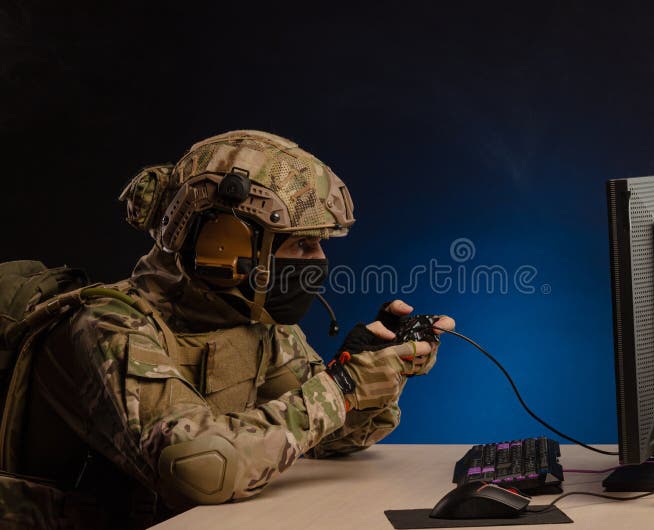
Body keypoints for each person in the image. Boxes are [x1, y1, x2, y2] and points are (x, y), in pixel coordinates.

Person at [0, 130, 454, 528]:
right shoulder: (108, 328)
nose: (318, 261)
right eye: (301, 243)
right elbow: (201, 470)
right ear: (224, 242)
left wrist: (371, 367)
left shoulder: (254, 322)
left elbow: (325, 439)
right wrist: (340, 389)